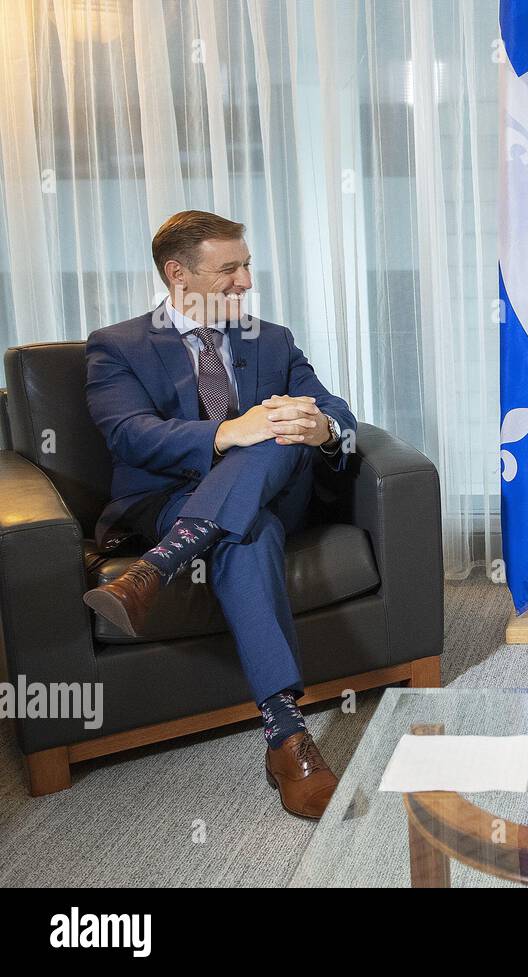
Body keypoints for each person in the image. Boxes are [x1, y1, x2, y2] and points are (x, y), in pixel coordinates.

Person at [82, 210, 356, 820]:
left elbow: (336, 407)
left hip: (268, 488)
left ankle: (156, 569)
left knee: (284, 430)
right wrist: (233, 430)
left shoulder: (273, 339)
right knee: (247, 531)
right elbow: (130, 435)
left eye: (247, 265)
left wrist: (323, 425)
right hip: (170, 500)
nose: (245, 282)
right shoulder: (118, 346)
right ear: (177, 274)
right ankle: (287, 736)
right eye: (229, 269)